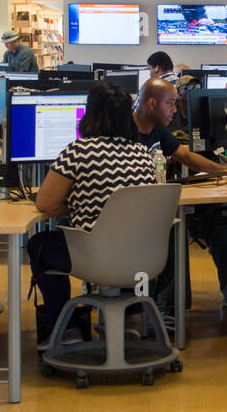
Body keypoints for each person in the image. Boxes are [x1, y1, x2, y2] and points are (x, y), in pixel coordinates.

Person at [27, 82, 156, 348]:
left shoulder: (78, 151)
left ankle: (65, 327)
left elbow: (46, 204)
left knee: (39, 245)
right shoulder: (143, 154)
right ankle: (131, 320)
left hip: (94, 257)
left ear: (90, 113)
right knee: (124, 233)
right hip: (141, 257)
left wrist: (77, 203)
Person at [135, 78, 227, 307]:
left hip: (158, 203)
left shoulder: (157, 130)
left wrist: (224, 169)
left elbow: (185, 156)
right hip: (138, 213)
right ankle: (167, 306)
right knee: (174, 227)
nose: (175, 110)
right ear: (150, 103)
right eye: (170, 104)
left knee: (216, 216)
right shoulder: (124, 131)